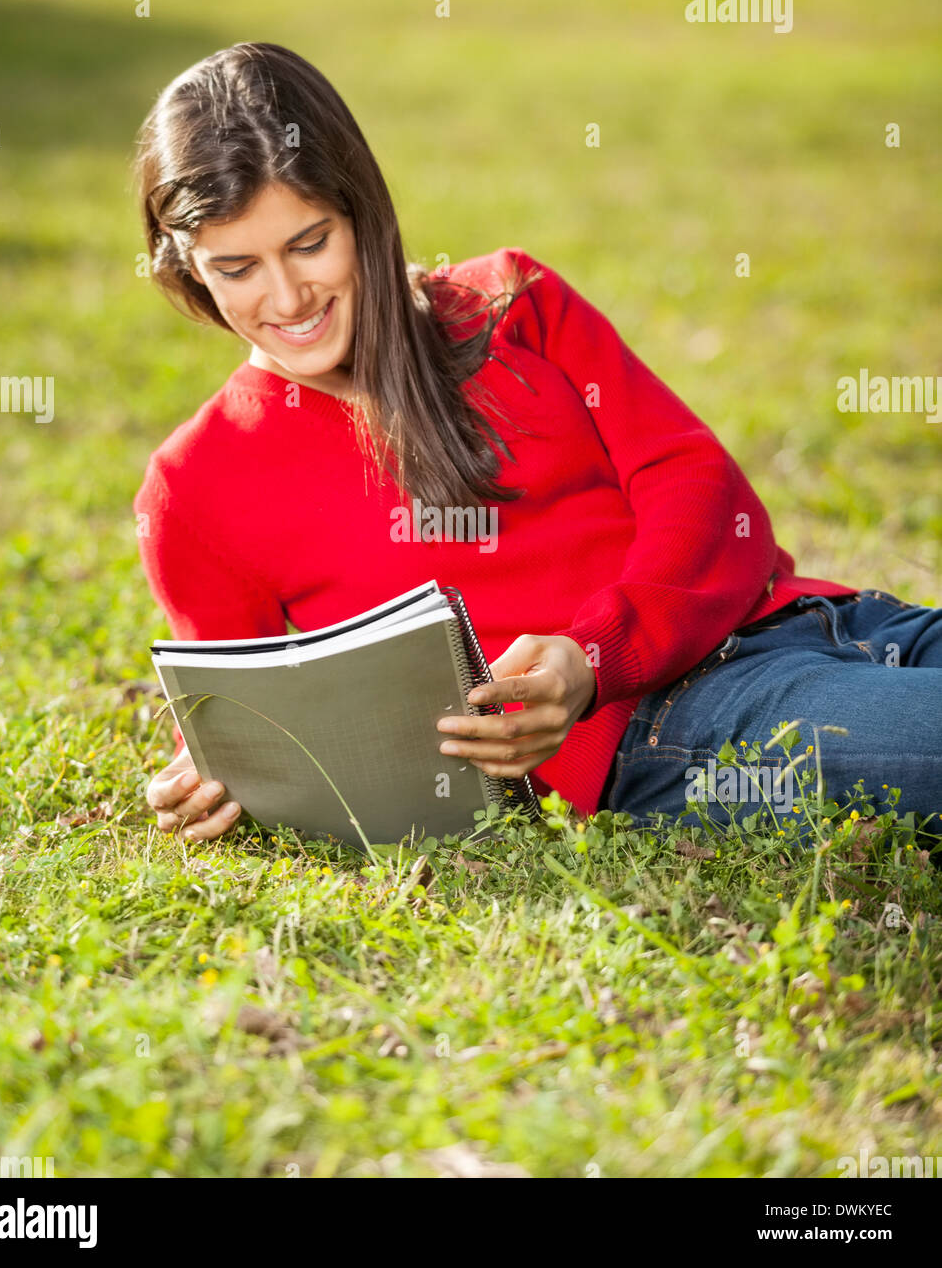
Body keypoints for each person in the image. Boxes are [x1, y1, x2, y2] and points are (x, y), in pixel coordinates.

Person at [132, 42, 942, 845]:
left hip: (812, 618)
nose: (287, 295)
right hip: (671, 723)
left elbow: (695, 482)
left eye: (310, 244)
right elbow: (245, 716)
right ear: (188, 269)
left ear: (361, 213)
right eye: (236, 267)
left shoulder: (511, 300)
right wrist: (198, 777)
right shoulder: (193, 485)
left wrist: (596, 651)